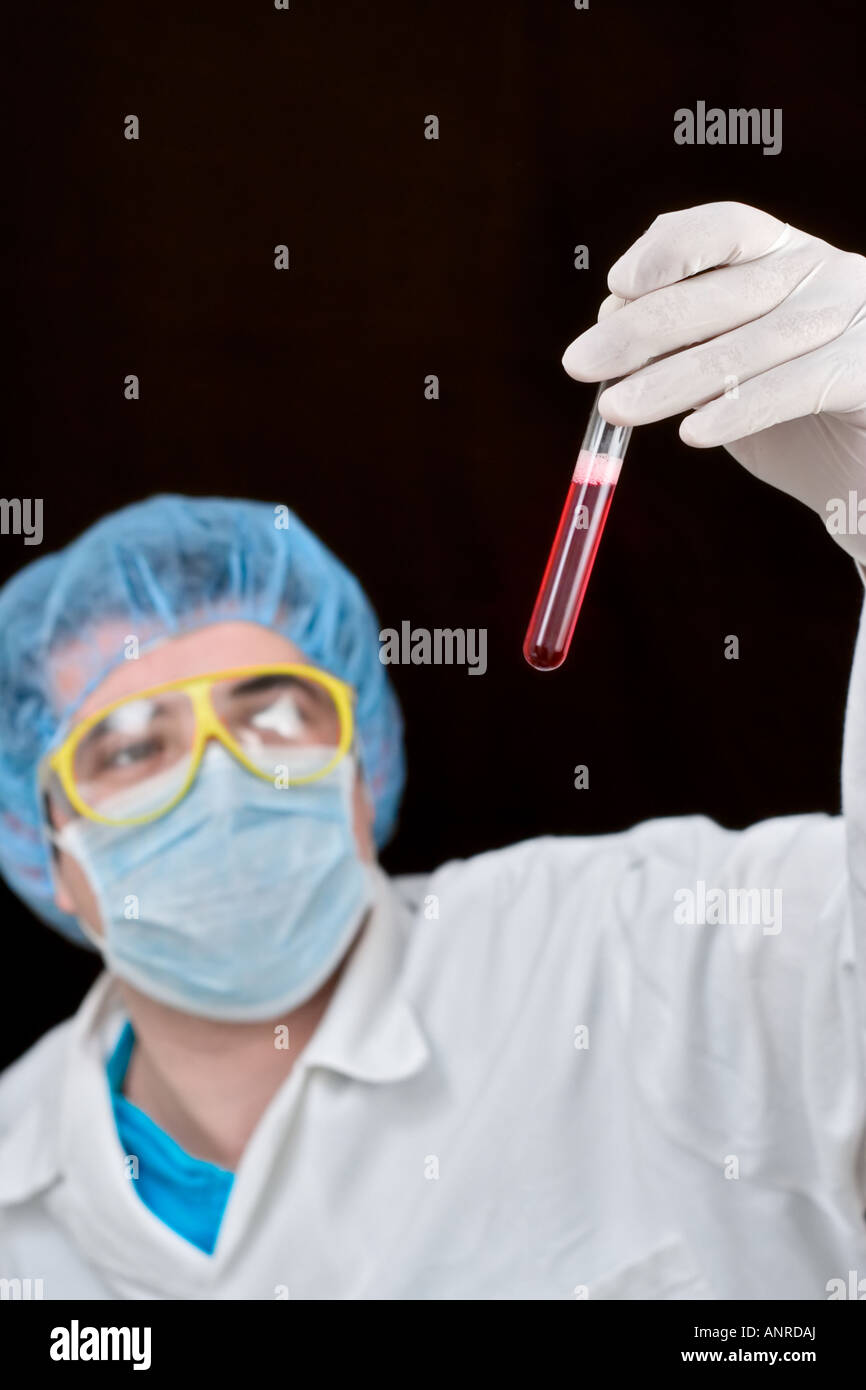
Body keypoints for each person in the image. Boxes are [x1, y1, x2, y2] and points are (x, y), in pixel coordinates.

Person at [1, 201, 865, 1300]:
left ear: (363, 773)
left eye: (270, 715)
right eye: (129, 750)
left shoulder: (644, 953)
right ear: (45, 843)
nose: (218, 773)